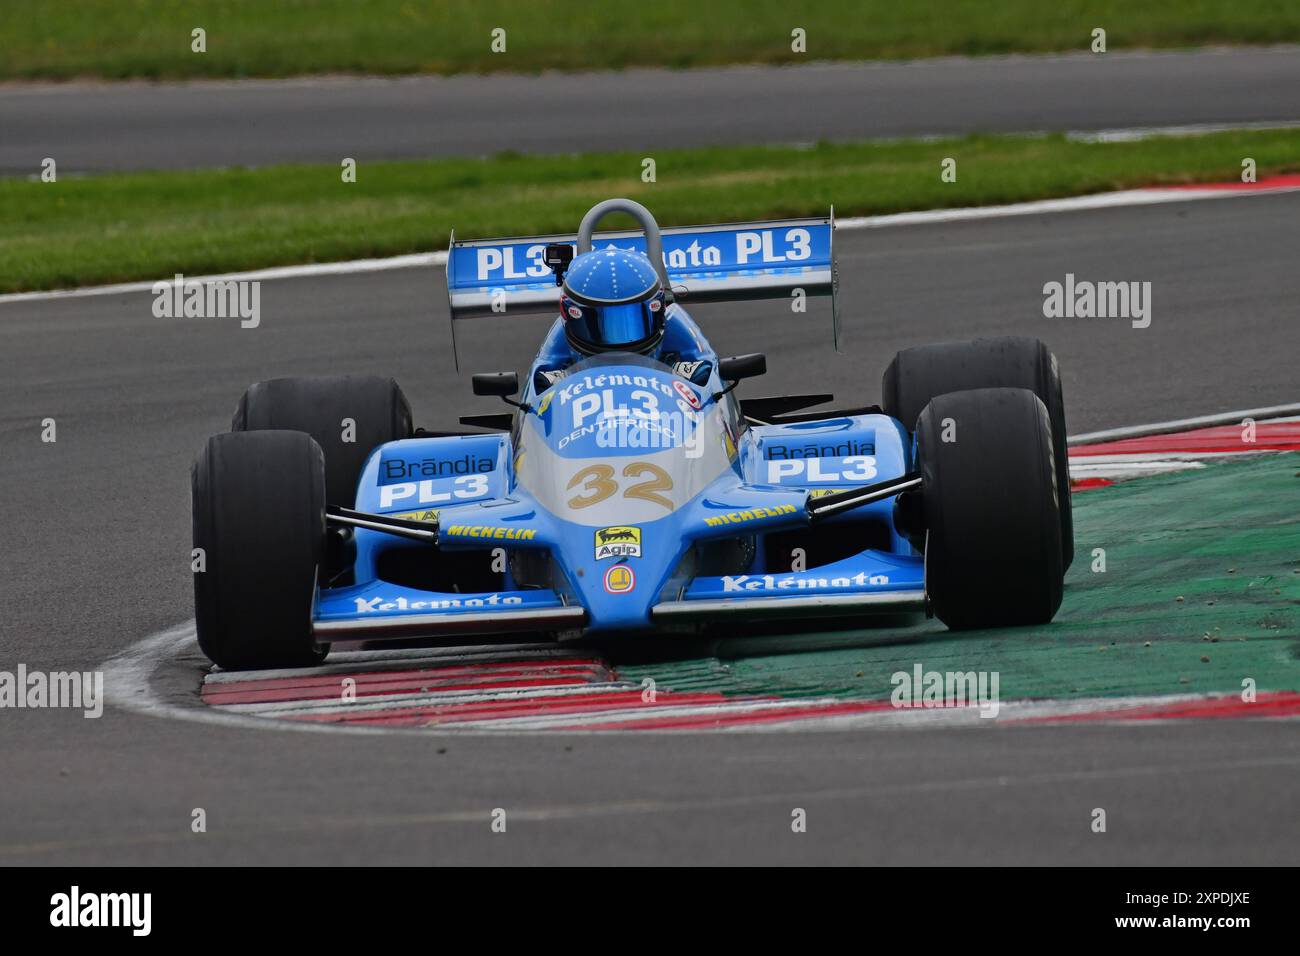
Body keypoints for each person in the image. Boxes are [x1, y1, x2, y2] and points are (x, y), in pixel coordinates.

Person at [533, 247, 713, 391]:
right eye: (601, 324)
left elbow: (707, 369)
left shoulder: (673, 322)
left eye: (631, 321)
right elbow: (540, 382)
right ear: (570, 316)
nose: (617, 339)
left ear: (659, 311)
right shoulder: (558, 347)